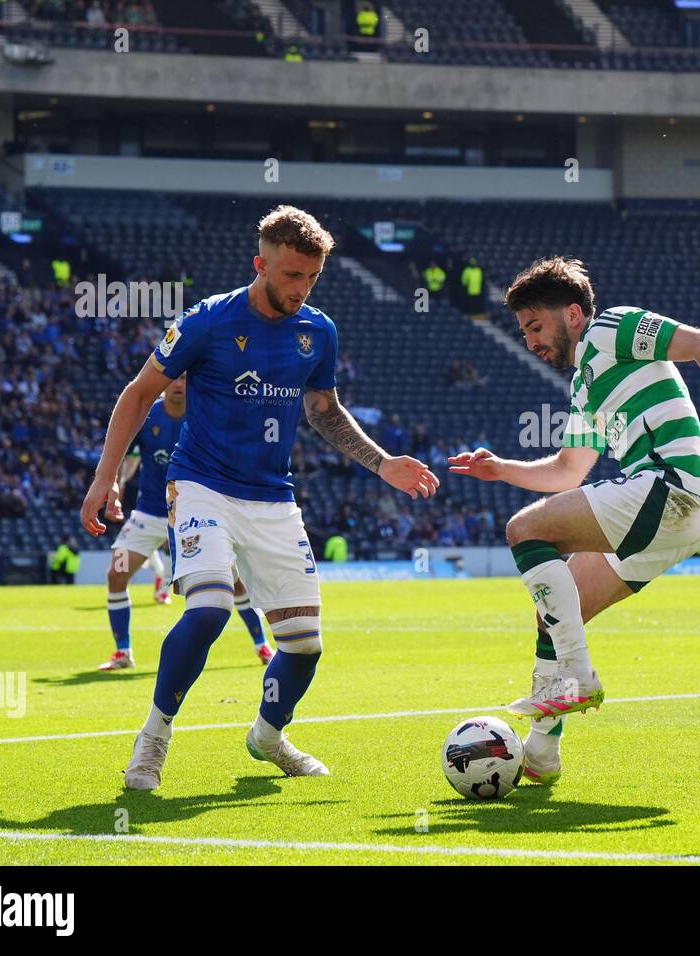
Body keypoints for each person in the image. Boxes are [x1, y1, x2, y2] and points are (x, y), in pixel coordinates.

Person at [79, 205, 438, 790]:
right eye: (292, 275)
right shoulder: (206, 321)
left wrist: (382, 463)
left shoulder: (317, 331)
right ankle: (153, 738)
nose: (302, 288)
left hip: (273, 498)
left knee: (304, 646)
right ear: (261, 264)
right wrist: (104, 478)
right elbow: (140, 392)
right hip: (200, 486)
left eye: (313, 277)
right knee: (210, 609)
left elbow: (324, 412)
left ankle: (268, 737)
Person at [449, 257, 700, 784]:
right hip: (678, 511)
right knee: (556, 611)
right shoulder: (585, 387)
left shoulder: (613, 328)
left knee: (524, 530)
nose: (530, 341)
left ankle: (580, 677)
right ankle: (541, 754)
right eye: (524, 331)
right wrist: (500, 469)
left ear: (575, 314)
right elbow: (568, 471)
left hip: (671, 486)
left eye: (535, 327)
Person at [100, 371, 276, 671]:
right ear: (165, 381)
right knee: (116, 574)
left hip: (194, 515)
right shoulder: (147, 414)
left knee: (234, 583)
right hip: (149, 513)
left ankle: (262, 646)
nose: (180, 385)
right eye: (175, 378)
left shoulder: (204, 413)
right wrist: (114, 487)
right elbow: (122, 453)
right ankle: (123, 653)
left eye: (185, 379)